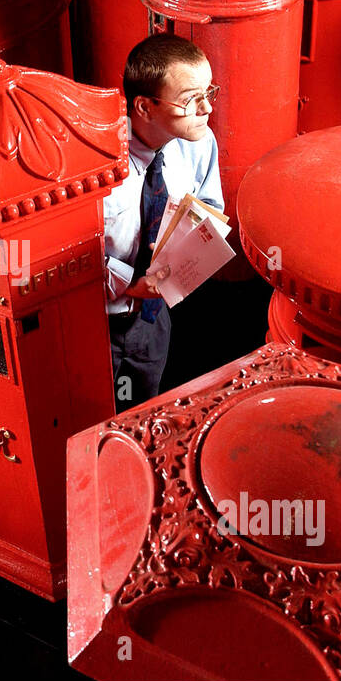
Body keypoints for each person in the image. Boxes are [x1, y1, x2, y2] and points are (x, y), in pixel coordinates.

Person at [105, 34, 224, 411]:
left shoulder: (199, 143)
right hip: (98, 323)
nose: (207, 108)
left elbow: (209, 205)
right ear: (144, 107)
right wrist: (129, 284)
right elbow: (62, 253)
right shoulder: (96, 162)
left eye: (209, 92)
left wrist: (184, 260)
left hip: (155, 320)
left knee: (144, 408)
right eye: (191, 99)